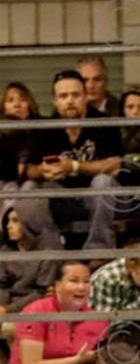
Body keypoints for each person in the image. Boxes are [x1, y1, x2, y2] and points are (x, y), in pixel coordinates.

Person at [21, 70, 123, 250]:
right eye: (63, 96)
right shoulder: (45, 127)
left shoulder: (103, 123)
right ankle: (51, 248)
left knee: (103, 181)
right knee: (29, 189)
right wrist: (43, 170)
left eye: (75, 95)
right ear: (55, 100)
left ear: (85, 97)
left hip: (94, 194)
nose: (69, 101)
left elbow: (115, 164)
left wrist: (74, 166)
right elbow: (29, 169)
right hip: (60, 193)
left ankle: (98, 250)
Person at [0, 260, 106, 364]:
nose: (81, 287)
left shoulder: (98, 320)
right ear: (57, 286)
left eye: (86, 281)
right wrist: (76, 361)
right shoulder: (36, 312)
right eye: (73, 280)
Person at [87, 243, 140, 364]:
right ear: (132, 268)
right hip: (103, 338)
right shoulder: (108, 279)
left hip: (132, 328)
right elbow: (103, 328)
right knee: (130, 363)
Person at [0, 204, 61, 350]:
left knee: (10, 327)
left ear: (29, 224)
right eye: (8, 221)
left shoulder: (47, 254)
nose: (9, 226)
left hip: (33, 307)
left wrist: (8, 310)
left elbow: (41, 293)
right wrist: (1, 306)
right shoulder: (5, 251)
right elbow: (2, 285)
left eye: (15, 221)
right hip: (6, 305)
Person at [1, 82, 41, 187]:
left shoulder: (42, 129)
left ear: (30, 104)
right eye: (10, 100)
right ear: (3, 108)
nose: (17, 105)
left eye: (22, 100)